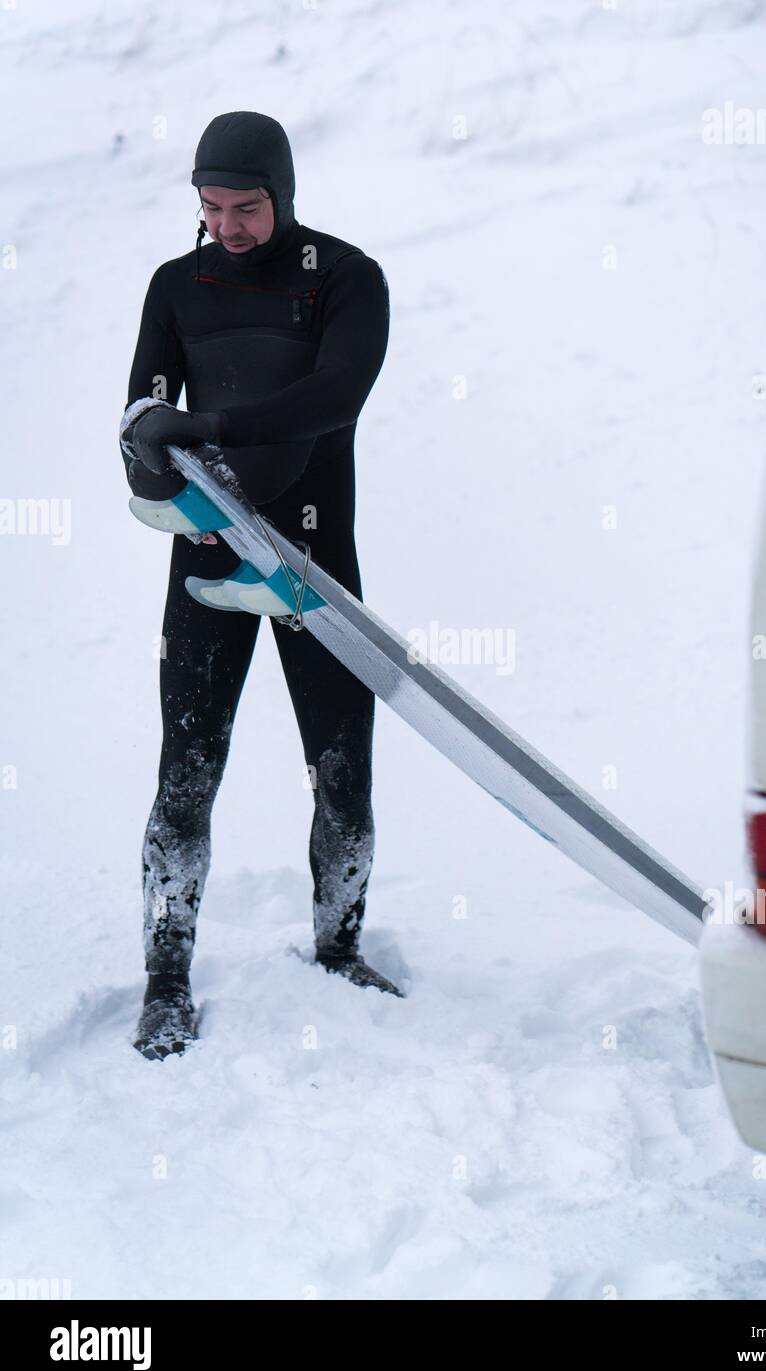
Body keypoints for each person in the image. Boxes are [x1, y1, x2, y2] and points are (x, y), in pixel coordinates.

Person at [120, 111, 399, 1062]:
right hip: (209, 563)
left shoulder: (346, 279)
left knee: (344, 771)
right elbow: (144, 409)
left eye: (246, 206)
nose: (229, 226)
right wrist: (148, 452)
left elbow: (336, 395)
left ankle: (341, 948)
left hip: (314, 559)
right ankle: (164, 977)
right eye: (211, 206)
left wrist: (211, 430)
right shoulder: (175, 286)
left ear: (283, 193)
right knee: (186, 776)